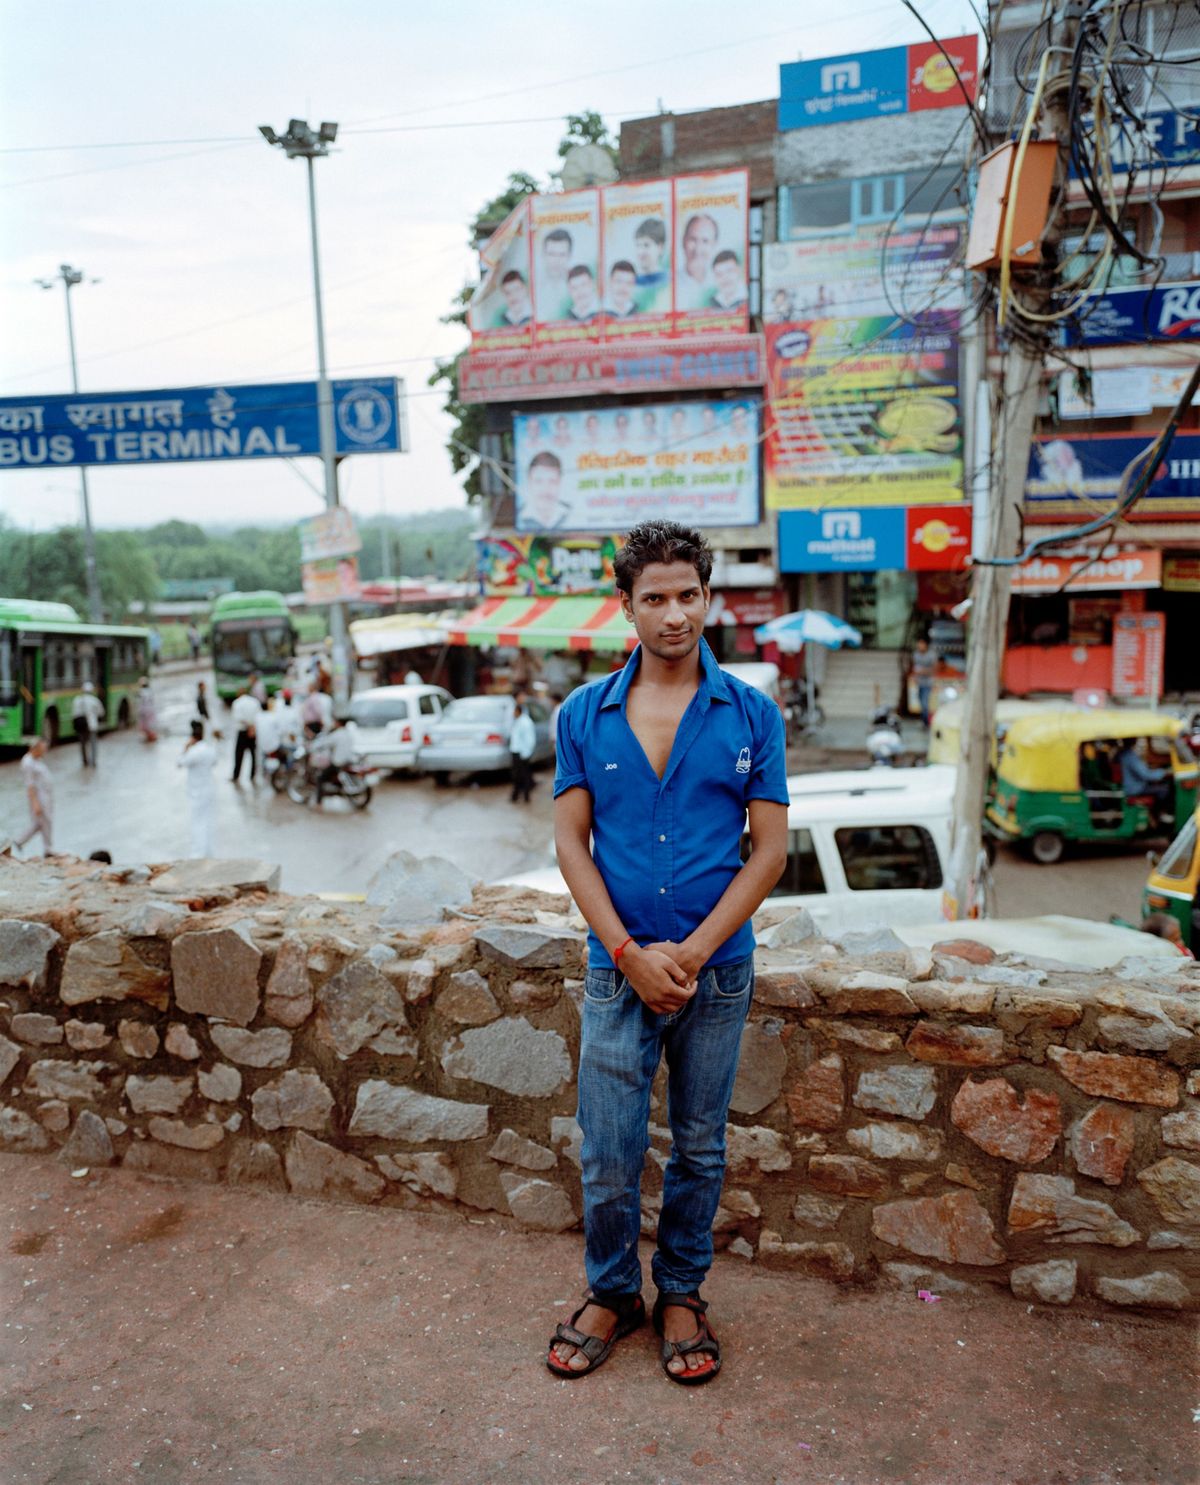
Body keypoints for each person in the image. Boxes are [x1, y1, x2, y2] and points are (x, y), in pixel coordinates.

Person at [546, 519, 788, 1385]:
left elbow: (768, 850)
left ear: (708, 596)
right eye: (655, 597)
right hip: (617, 972)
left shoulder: (752, 713)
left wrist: (686, 951)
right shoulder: (584, 713)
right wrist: (627, 950)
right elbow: (572, 845)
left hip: (715, 972)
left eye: (689, 594)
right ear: (627, 606)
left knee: (699, 1142)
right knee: (607, 1147)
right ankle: (613, 1291)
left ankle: (683, 1290)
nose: (674, 613)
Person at [178, 719, 217, 858]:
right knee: (207, 821)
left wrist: (186, 747)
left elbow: (180, 762)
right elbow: (214, 762)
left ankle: (198, 854)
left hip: (197, 792)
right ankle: (207, 851)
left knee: (197, 822)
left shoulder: (194, 752)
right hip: (209, 789)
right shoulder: (209, 749)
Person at [13, 737, 54, 856]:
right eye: (42, 748)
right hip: (39, 797)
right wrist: (35, 802)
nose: (44, 750)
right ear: (35, 748)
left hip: (46, 795)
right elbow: (29, 785)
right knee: (45, 822)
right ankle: (48, 848)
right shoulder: (28, 763)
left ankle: (20, 841)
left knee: (39, 823)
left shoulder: (37, 760)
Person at [1119, 738, 1173, 824]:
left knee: (1160, 786)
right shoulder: (1130, 756)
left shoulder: (1123, 754)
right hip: (1135, 789)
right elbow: (1146, 775)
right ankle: (1158, 815)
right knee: (1164, 790)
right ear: (1134, 741)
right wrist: (1164, 773)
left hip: (1131, 785)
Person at [678, 213, 719, 310]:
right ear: (683, 241)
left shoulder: (720, 285)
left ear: (714, 245)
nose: (698, 249)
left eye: (705, 241)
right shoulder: (669, 285)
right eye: (693, 239)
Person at [523, 451, 570, 530]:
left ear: (560, 482)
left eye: (552, 481)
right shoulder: (520, 515)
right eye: (538, 481)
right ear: (529, 482)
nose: (545, 489)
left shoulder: (572, 514)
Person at [537, 227, 573, 320]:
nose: (556, 260)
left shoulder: (577, 285)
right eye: (551, 254)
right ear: (543, 254)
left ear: (569, 256)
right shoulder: (534, 284)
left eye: (562, 255)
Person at [633, 218, 670, 310]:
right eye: (638, 245)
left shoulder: (669, 281)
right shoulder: (632, 283)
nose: (640, 252)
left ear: (660, 248)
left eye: (646, 245)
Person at [230, 683, 261, 784]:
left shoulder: (237, 703)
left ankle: (236, 775)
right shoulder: (254, 702)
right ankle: (252, 775)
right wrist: (252, 727)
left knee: (239, 755)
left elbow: (239, 718)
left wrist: (249, 727)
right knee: (253, 755)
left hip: (243, 731)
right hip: (253, 731)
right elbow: (258, 716)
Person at [509, 697, 537, 803]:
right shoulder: (518, 721)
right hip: (516, 752)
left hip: (522, 753)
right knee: (518, 775)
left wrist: (525, 753)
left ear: (518, 711)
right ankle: (517, 796)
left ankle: (525, 796)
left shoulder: (525, 722)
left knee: (523, 775)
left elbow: (530, 739)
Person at [71, 681, 104, 768]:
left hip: (81, 726)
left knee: (82, 744)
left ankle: (85, 761)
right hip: (92, 725)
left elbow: (74, 714)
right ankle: (93, 761)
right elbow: (101, 712)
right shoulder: (94, 700)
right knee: (93, 744)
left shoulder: (77, 700)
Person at [911, 638, 937, 727]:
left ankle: (926, 722)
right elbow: (915, 668)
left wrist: (923, 671)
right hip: (919, 682)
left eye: (922, 644)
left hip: (928, 683)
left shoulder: (931, 655)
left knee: (925, 703)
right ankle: (924, 720)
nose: (920, 646)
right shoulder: (916, 655)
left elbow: (933, 669)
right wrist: (915, 676)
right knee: (921, 702)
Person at [136, 677, 158, 743]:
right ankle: (150, 737)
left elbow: (141, 702)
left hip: (145, 711)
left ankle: (151, 737)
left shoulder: (141, 692)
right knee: (150, 725)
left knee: (146, 726)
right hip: (151, 711)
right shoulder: (150, 691)